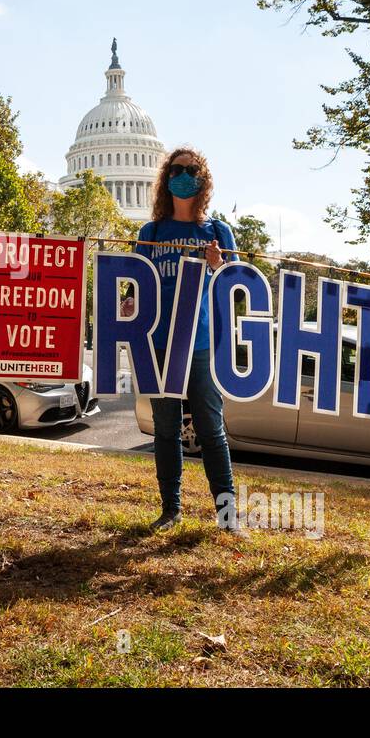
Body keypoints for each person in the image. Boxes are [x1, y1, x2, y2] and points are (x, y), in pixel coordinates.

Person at [134, 148, 240, 533]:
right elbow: (138, 284)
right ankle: (170, 509)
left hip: (202, 345)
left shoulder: (217, 231)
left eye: (190, 169)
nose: (182, 175)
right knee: (166, 429)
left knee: (212, 429)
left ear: (202, 177)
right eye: (175, 169)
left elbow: (236, 286)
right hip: (160, 344)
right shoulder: (151, 233)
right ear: (166, 178)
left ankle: (227, 515)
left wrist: (217, 264)